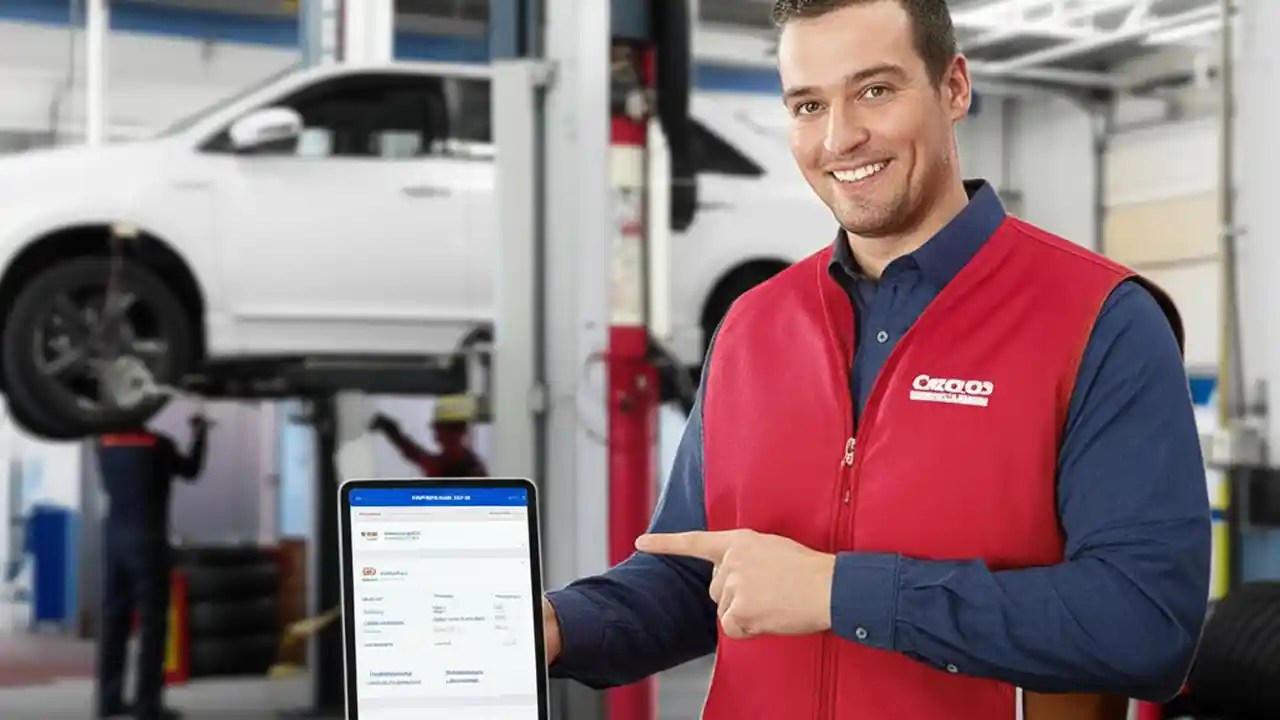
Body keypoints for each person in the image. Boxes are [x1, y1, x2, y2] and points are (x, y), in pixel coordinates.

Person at [541, 1, 1212, 718]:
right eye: (807, 104)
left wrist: (840, 592)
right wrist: (555, 626)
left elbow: (1146, 625)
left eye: (875, 91)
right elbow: (693, 579)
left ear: (954, 87)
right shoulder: (752, 325)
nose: (840, 137)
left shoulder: (1100, 320)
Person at [95, 414, 211, 720]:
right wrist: (200, 434)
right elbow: (191, 470)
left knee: (113, 622)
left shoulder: (104, 445)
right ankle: (148, 706)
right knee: (152, 626)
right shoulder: (159, 445)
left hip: (113, 541)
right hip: (148, 541)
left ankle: (108, 703)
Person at [368, 395, 488, 478]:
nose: (436, 434)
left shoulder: (470, 469)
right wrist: (391, 430)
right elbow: (413, 453)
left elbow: (414, 454)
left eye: (438, 429)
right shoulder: (470, 465)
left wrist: (391, 430)